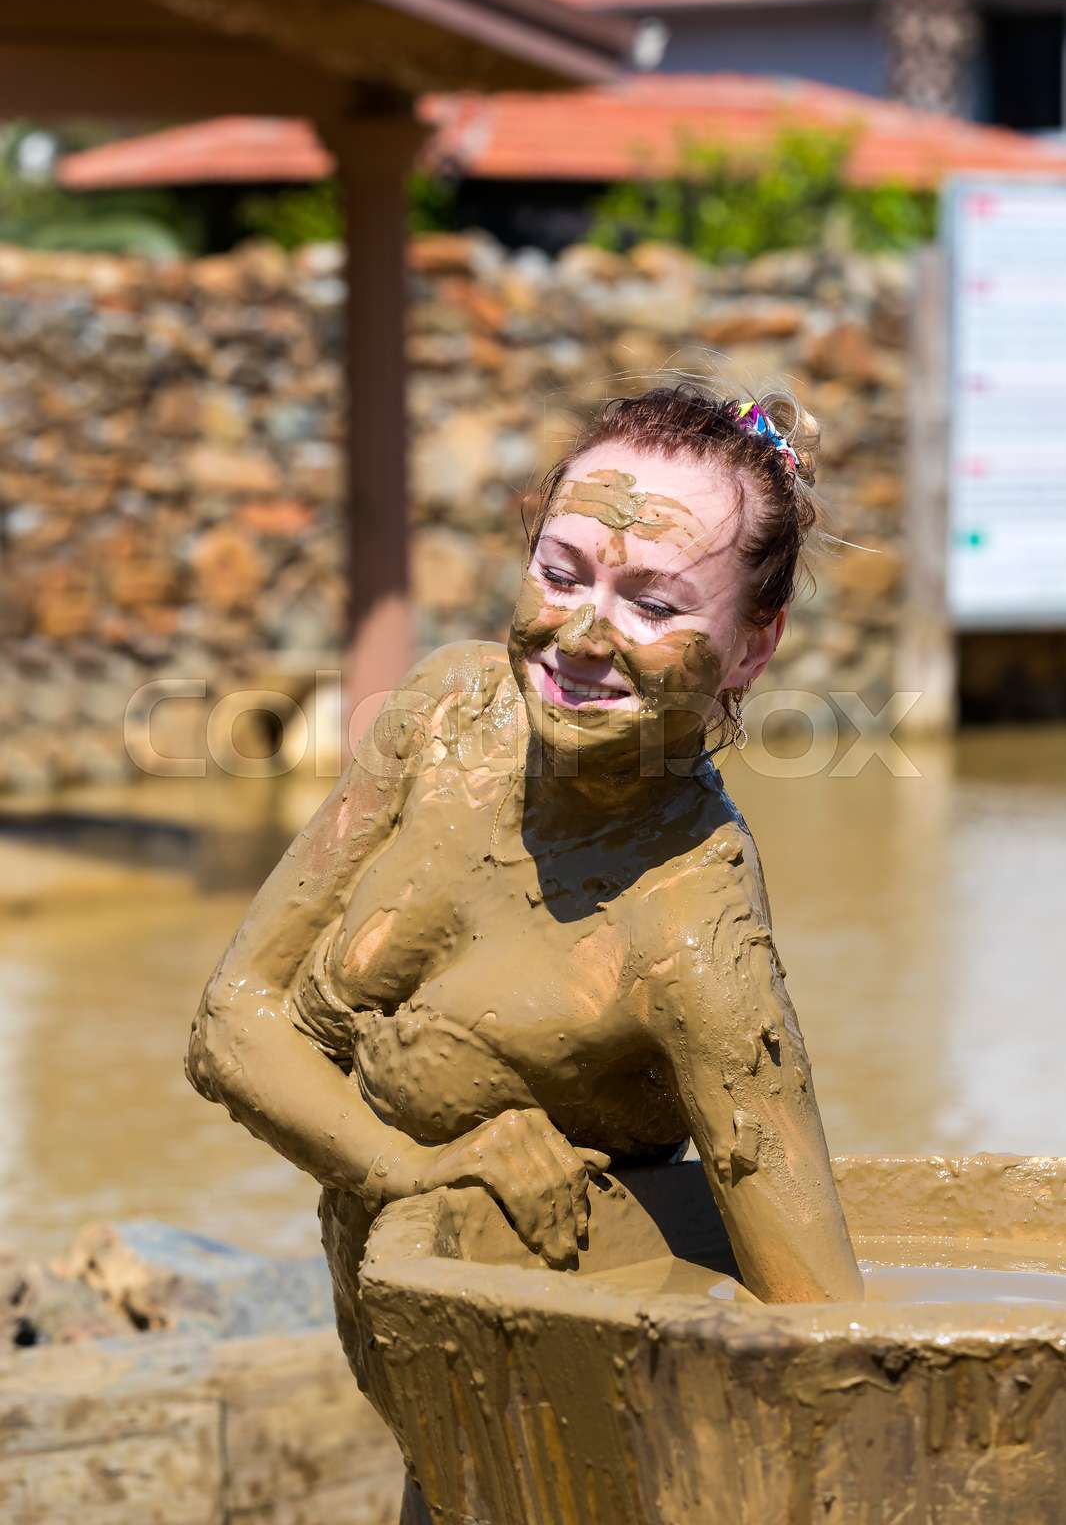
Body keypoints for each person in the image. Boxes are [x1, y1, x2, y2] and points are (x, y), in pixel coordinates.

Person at [187, 382, 862, 1510]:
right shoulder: (446, 711)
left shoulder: (692, 932)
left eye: (652, 603)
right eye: (560, 572)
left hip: (573, 1429)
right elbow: (230, 1021)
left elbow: (824, 1326)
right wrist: (410, 1166)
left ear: (752, 646)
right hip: (425, 1391)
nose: (581, 635)